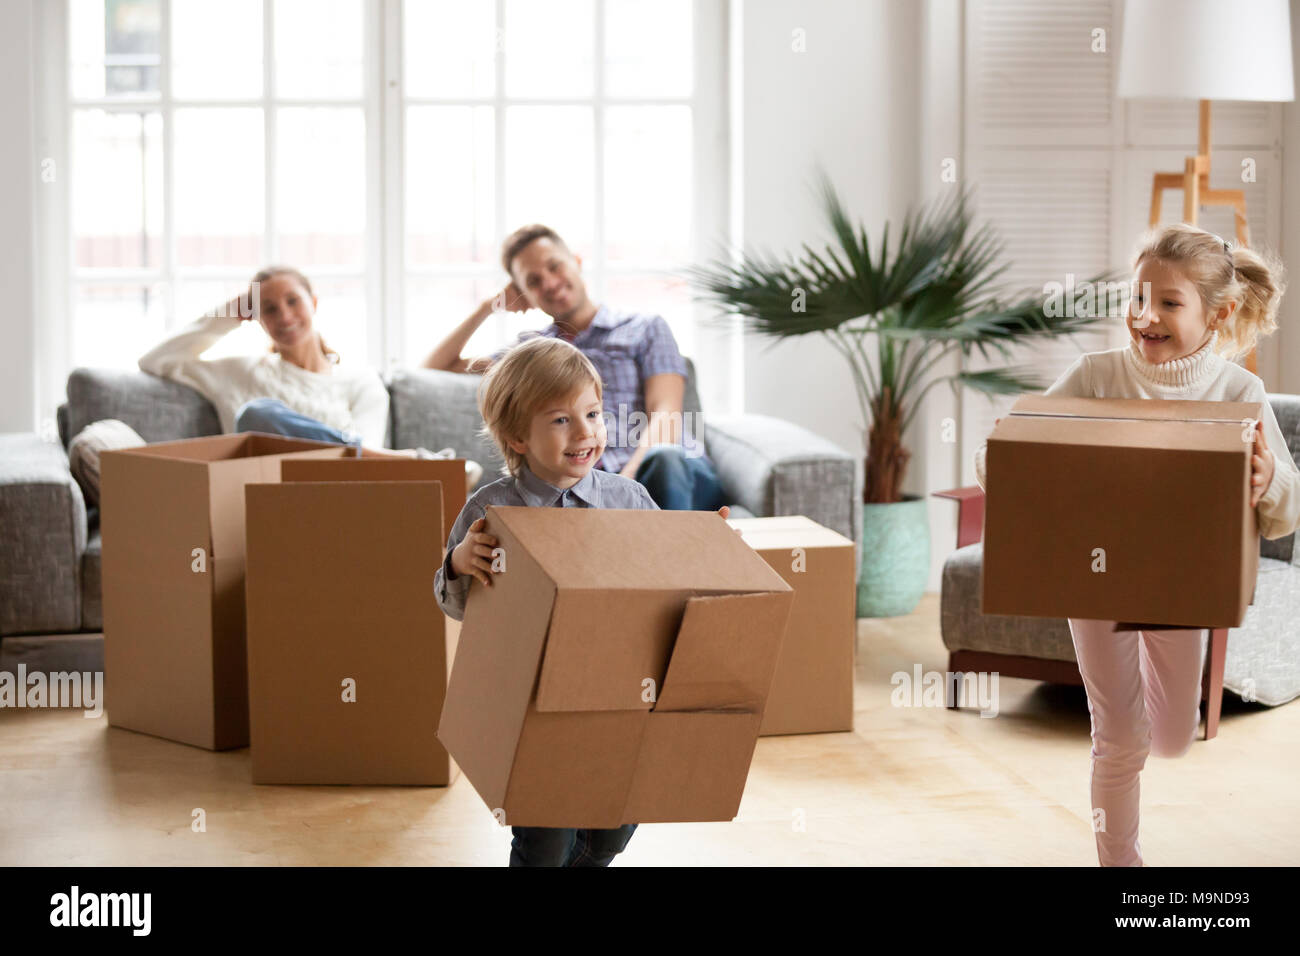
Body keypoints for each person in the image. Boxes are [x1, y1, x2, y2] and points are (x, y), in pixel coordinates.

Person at [974, 223, 1300, 867]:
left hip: (1180, 583)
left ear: (1220, 313)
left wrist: (1267, 481)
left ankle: (1152, 728)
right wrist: (1006, 451)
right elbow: (1010, 463)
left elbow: (1287, 501)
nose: (1145, 316)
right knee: (1119, 738)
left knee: (1173, 735)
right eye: (1138, 298)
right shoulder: (1097, 376)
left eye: (1169, 303)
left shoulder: (1240, 393)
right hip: (1093, 578)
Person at [433, 336, 729, 866]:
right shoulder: (492, 508)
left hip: (618, 695)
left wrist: (707, 551)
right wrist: (459, 562)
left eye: (593, 413)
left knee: (612, 825)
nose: (586, 431)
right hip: (530, 703)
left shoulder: (628, 500)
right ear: (516, 437)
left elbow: (671, 583)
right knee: (545, 838)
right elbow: (454, 605)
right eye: (560, 420)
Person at [421, 224, 724, 511]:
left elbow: (666, 415)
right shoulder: (533, 354)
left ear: (577, 261)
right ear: (523, 293)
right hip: (591, 481)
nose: (550, 284)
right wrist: (489, 307)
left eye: (554, 267)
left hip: (668, 468)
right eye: (533, 281)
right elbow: (435, 367)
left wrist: (622, 487)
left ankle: (671, 558)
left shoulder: (644, 328)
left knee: (665, 460)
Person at [139, 265, 390, 449]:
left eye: (293, 301)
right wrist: (230, 313)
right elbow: (155, 361)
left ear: (313, 302)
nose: (284, 317)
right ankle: (345, 448)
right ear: (257, 319)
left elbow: (370, 456)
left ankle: (346, 449)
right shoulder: (242, 374)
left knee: (359, 452)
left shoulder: (360, 381)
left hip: (336, 488)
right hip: (263, 493)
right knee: (257, 415)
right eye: (269, 309)